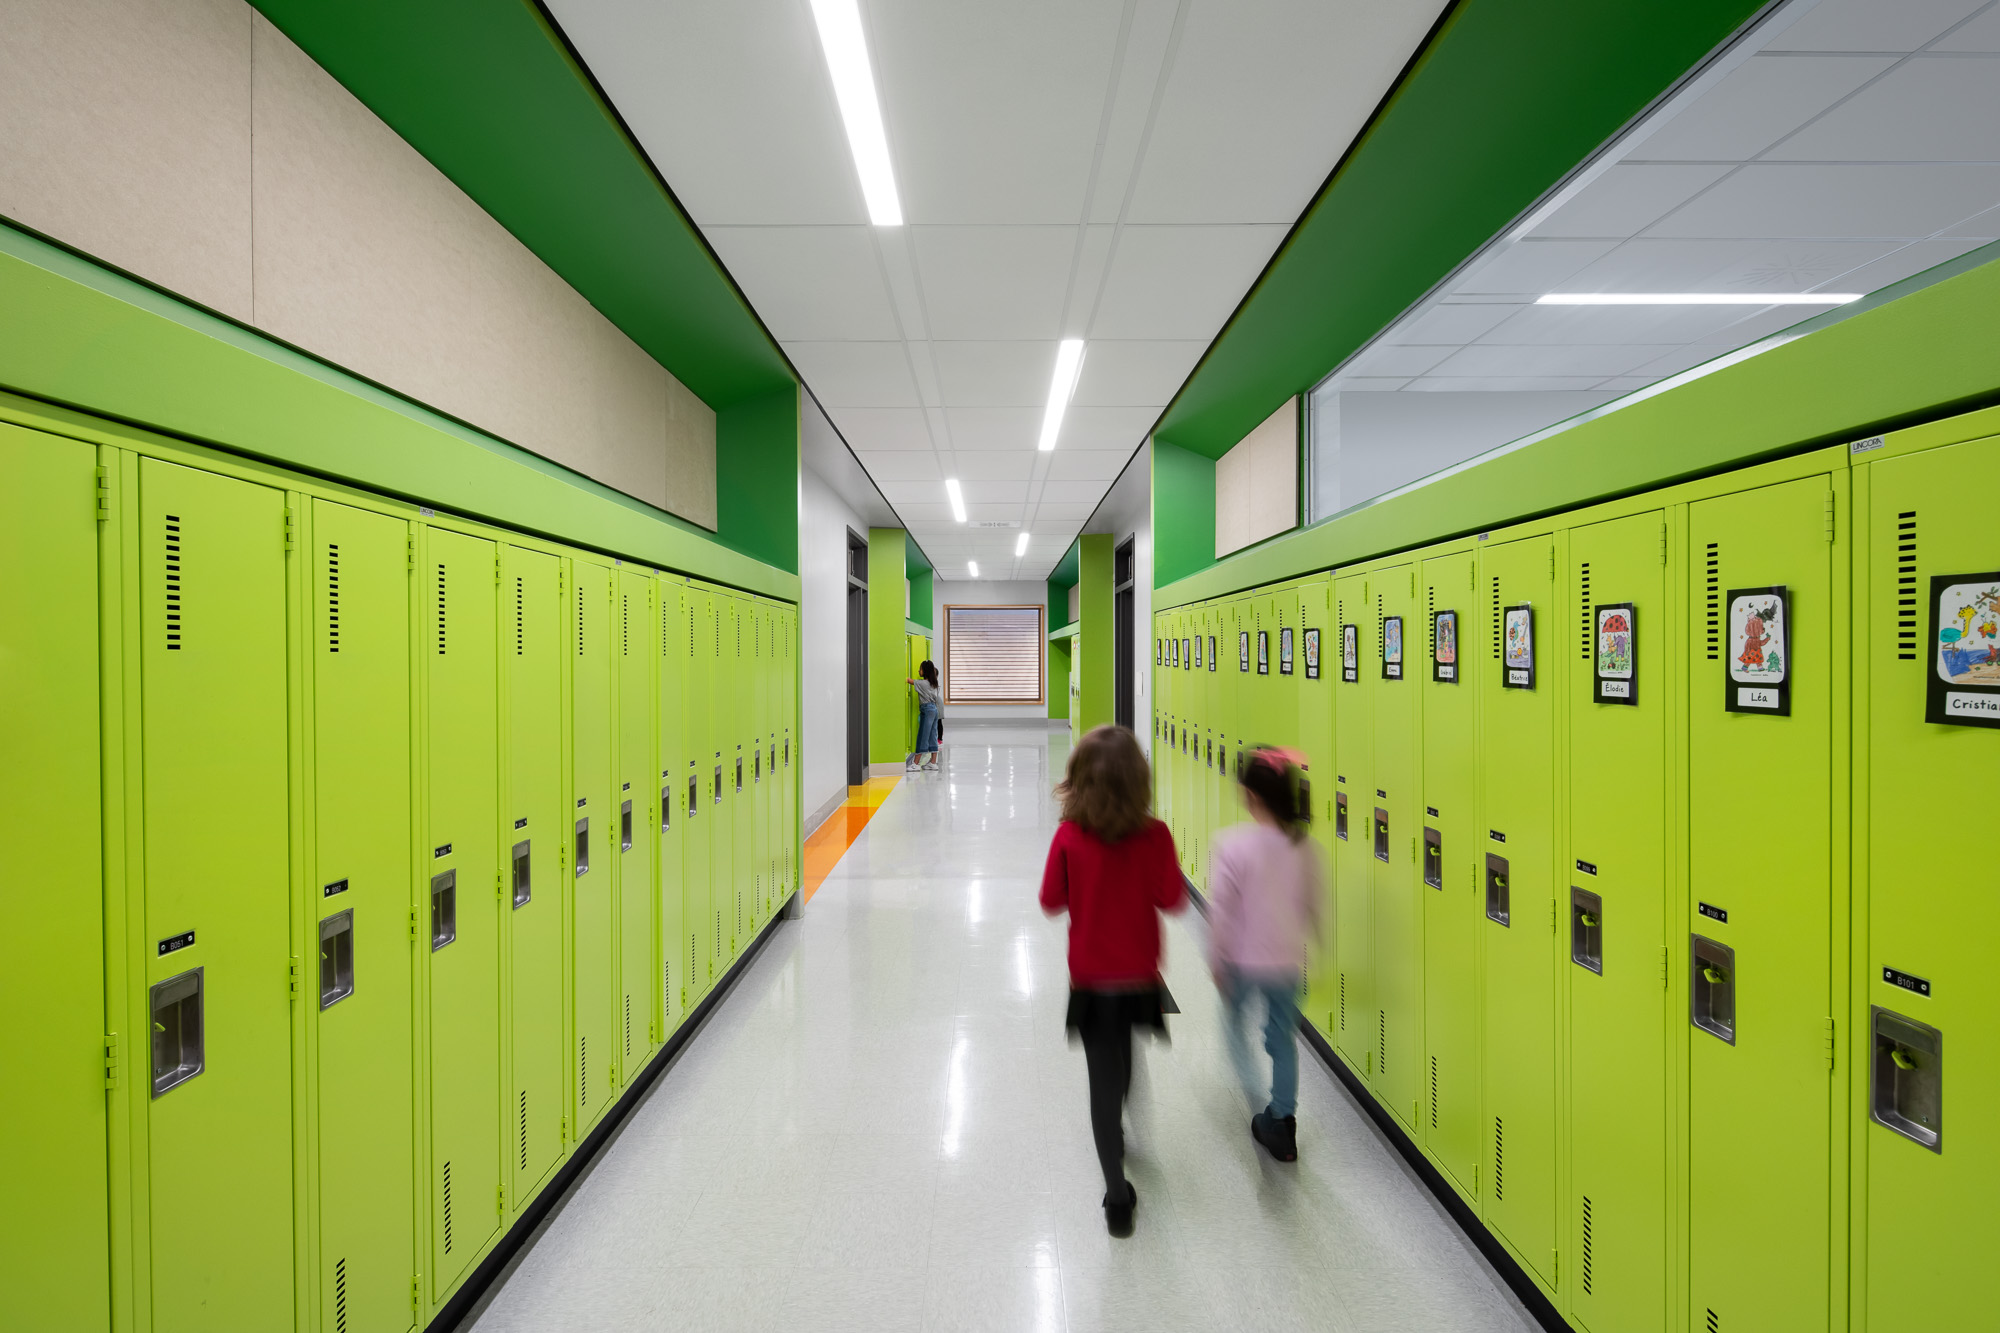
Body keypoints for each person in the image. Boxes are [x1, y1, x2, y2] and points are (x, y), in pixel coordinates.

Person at [1038, 725, 1186, 1236]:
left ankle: (1116, 1196)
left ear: (1079, 781)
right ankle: (1119, 1134)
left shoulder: (1068, 837)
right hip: (1140, 975)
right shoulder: (1157, 835)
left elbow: (1051, 901)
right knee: (1126, 1058)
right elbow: (1173, 899)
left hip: (1092, 979)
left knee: (1101, 1078)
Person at [1206, 746, 1322, 1163]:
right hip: (1289, 962)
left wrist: (1216, 958)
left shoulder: (1232, 845)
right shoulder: (1305, 846)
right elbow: (1314, 904)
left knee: (1233, 1024)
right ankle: (1282, 1120)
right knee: (1282, 1039)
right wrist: (1317, 951)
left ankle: (1253, 1091)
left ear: (1251, 796)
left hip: (1242, 961)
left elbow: (1221, 910)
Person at [904, 661, 941, 771]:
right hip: (934, 710)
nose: (918, 671)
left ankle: (915, 763)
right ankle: (933, 762)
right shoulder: (934, 683)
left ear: (925, 671)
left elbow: (908, 680)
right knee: (933, 735)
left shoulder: (923, 683)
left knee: (922, 736)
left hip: (927, 710)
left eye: (920, 669)